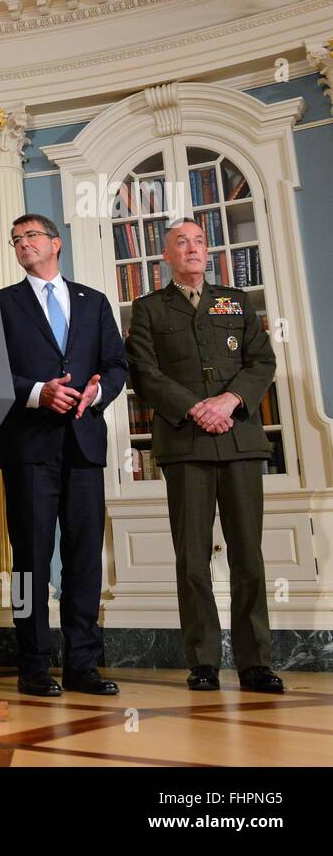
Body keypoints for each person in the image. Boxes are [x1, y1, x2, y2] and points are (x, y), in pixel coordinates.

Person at [126, 219, 283, 693]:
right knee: (192, 558)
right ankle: (204, 662)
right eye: (181, 243)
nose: (191, 249)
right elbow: (144, 373)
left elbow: (262, 362)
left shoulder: (235, 301)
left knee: (248, 555)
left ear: (207, 251)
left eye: (198, 241)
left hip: (239, 439)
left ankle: (256, 662)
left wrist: (229, 402)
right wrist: (196, 408)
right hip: (185, 442)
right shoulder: (149, 308)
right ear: (166, 257)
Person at [0, 214, 127, 697]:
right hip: (29, 446)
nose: (23, 244)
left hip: (84, 444)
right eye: (16, 240)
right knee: (30, 560)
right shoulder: (0, 305)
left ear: (56, 243)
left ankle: (82, 666)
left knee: (84, 560)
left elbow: (116, 364)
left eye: (31, 236)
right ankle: (32, 666)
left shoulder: (93, 302)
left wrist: (94, 394)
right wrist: (36, 392)